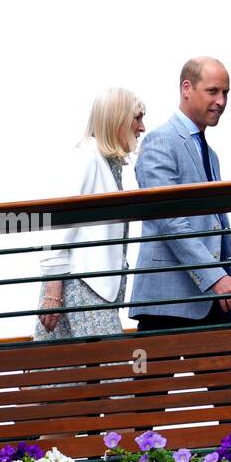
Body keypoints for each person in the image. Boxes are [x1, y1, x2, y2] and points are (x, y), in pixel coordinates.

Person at [129, 56, 231, 331]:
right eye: (213, 91)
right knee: (151, 374)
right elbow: (169, 218)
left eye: (225, 93)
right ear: (187, 88)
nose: (221, 102)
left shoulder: (210, 154)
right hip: (168, 302)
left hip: (215, 301)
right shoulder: (161, 141)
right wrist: (215, 276)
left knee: (229, 374)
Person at [36, 87, 145, 339]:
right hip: (81, 285)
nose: (141, 127)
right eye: (137, 118)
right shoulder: (86, 157)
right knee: (112, 370)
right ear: (117, 119)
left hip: (92, 287)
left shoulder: (107, 162)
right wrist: (53, 293)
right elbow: (57, 222)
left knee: (71, 372)